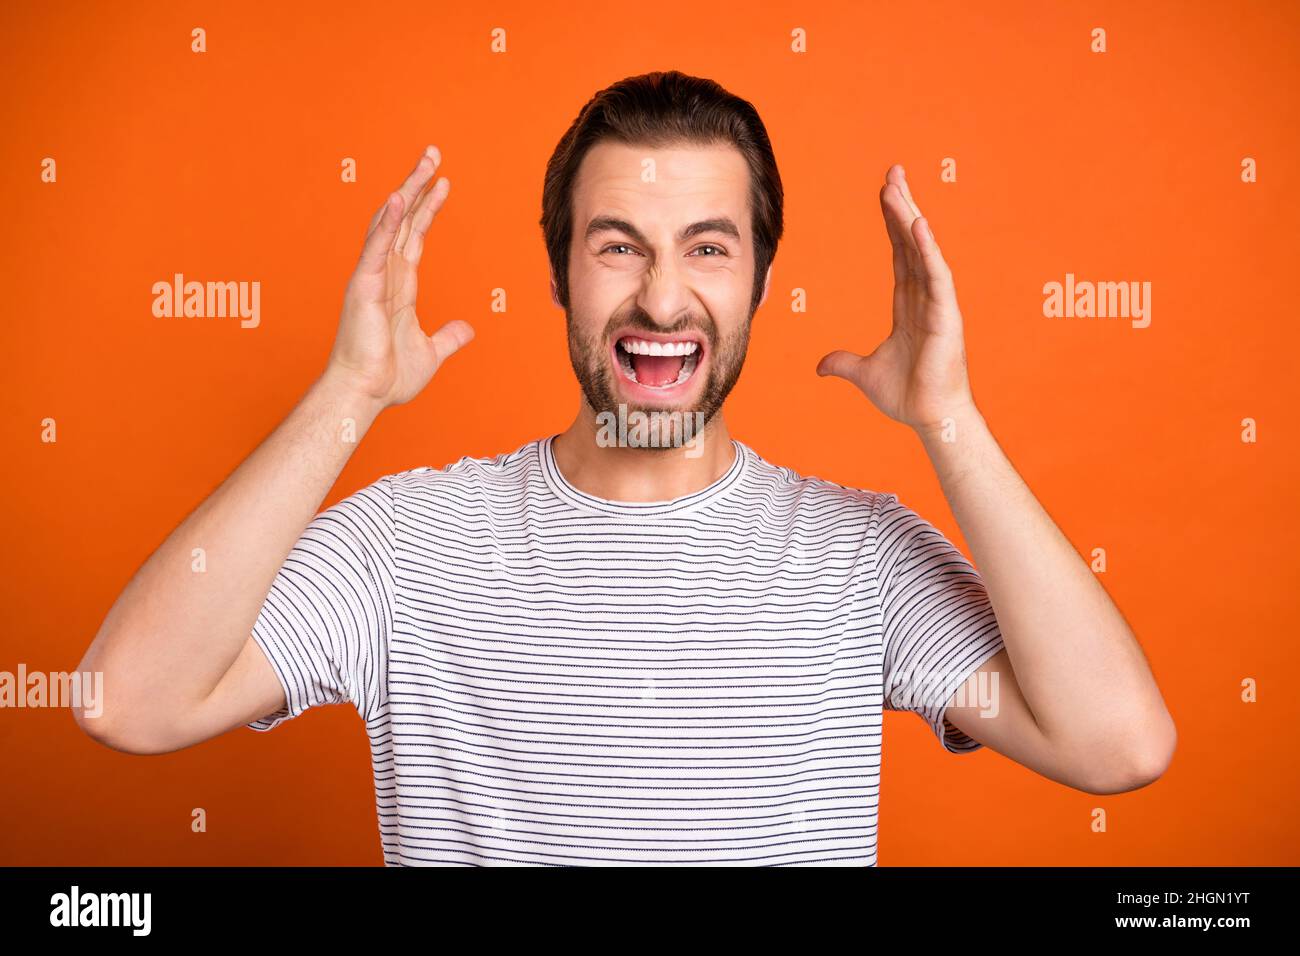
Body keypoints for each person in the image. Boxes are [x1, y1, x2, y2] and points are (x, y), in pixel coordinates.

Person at [74, 70, 1175, 866]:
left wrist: (950, 420)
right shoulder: (402, 547)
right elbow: (128, 701)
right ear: (559, 275)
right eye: (617, 246)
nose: (659, 298)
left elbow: (1116, 744)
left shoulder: (859, 559)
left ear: (757, 280)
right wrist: (345, 396)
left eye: (707, 245)